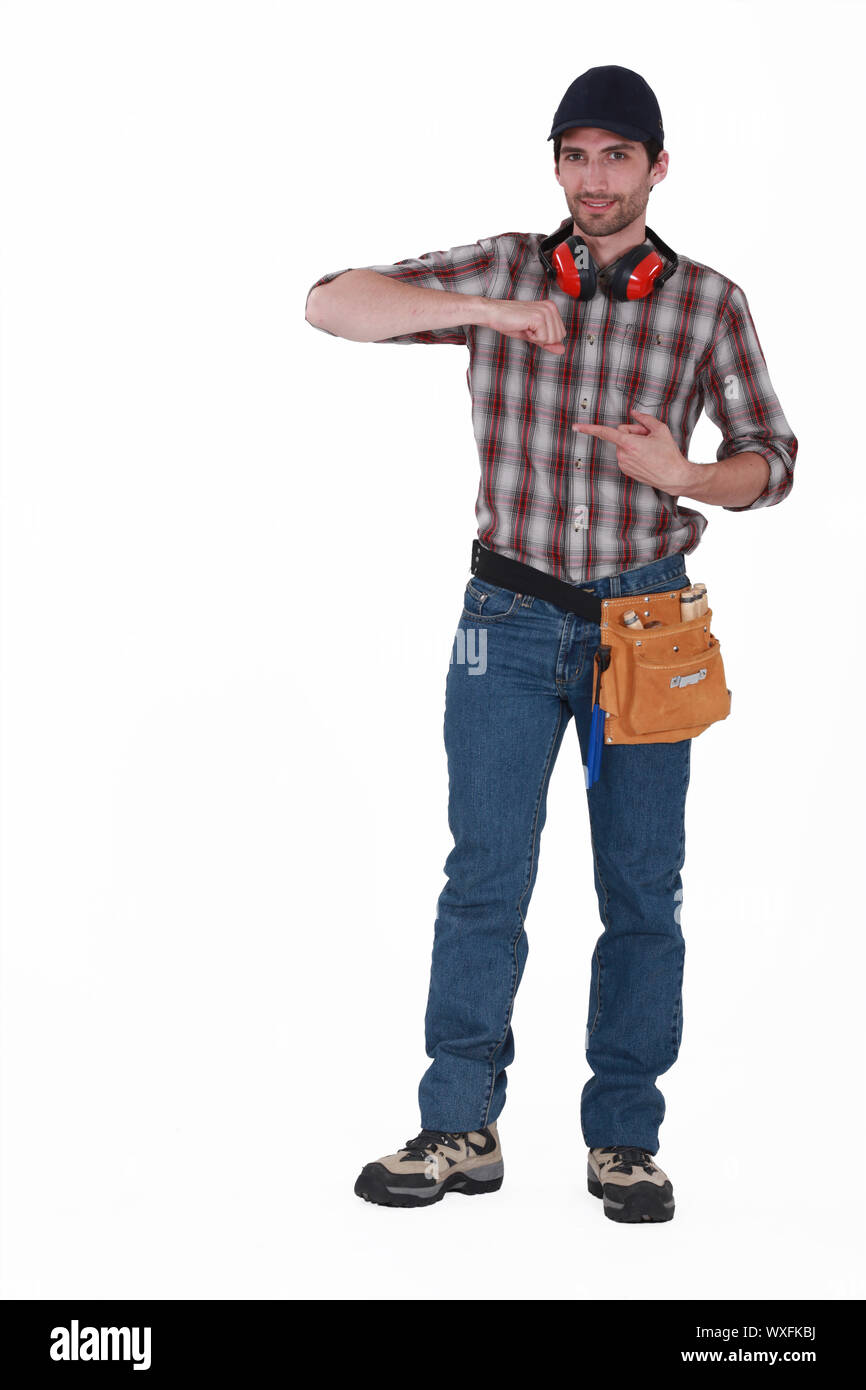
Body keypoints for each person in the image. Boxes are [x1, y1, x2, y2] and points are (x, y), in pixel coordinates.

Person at [304, 65, 797, 1222]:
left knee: (640, 887)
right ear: (556, 166)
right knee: (483, 876)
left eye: (614, 157)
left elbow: (771, 458)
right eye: (573, 155)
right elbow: (329, 301)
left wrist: (683, 474)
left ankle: (623, 1139)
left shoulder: (708, 303)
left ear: (655, 168)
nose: (592, 178)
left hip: (647, 621)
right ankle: (457, 1124)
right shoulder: (505, 267)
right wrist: (486, 314)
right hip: (507, 618)